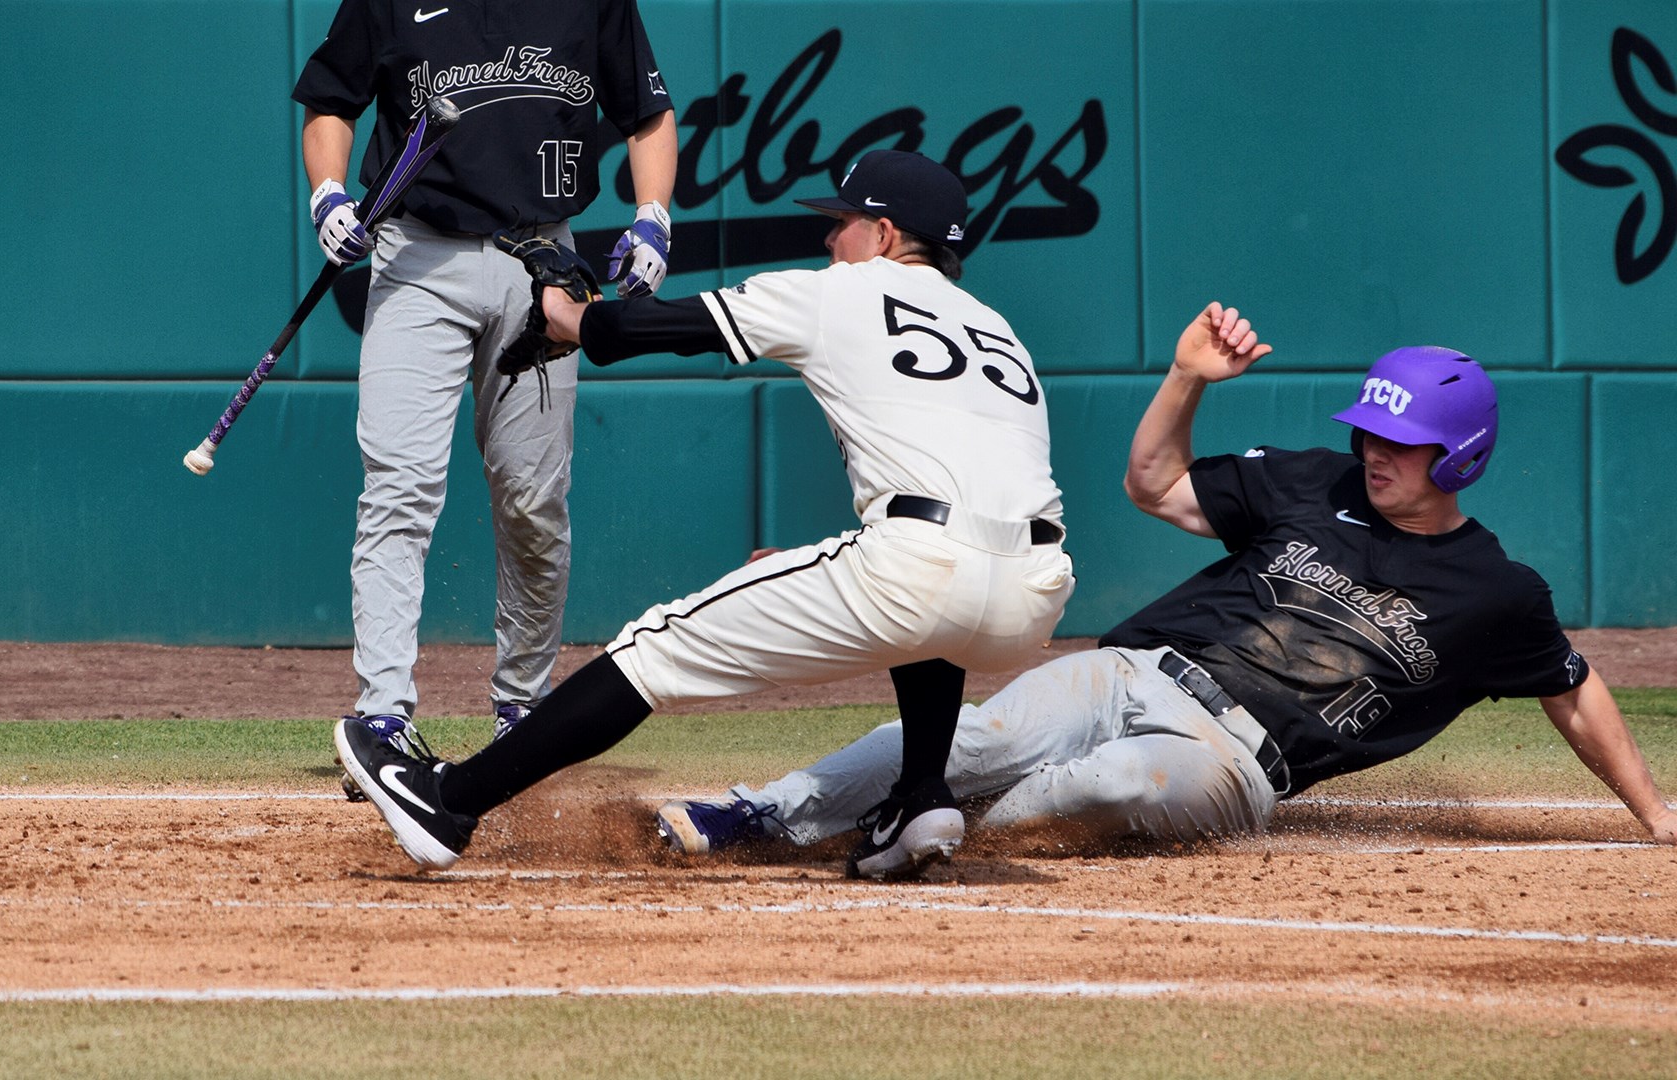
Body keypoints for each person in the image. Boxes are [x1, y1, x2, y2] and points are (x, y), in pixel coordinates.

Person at [655, 304, 1677, 857]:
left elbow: (1573, 689)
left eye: (1402, 443)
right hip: (1135, 672)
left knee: (1111, 784)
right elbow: (1154, 484)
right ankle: (752, 814)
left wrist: (1655, 814)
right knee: (981, 736)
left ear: (1459, 459)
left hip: (1235, 760)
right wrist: (1186, 377)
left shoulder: (1498, 591)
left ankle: (930, 828)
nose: (1376, 452)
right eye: (1370, 430)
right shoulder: (1311, 483)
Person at [334, 149, 1078, 879]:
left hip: (918, 566)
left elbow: (647, 330)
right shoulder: (998, 331)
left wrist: (568, 314)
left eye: (843, 221)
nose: (828, 239)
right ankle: (921, 795)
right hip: (1036, 596)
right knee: (932, 602)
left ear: (883, 236)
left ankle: (447, 802)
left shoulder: (840, 292)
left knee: (652, 648)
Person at [293, 0, 679, 754]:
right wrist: (328, 192)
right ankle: (384, 715)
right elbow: (329, 103)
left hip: (545, 261)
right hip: (417, 257)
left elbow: (647, 115)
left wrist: (653, 214)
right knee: (398, 485)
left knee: (534, 501)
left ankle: (524, 711)